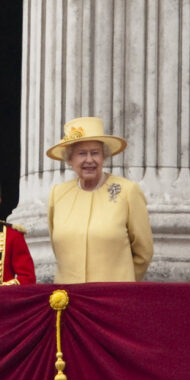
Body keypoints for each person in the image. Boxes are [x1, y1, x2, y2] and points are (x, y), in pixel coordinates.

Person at [46, 117, 153, 282]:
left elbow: (143, 252)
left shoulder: (127, 191)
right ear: (70, 159)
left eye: (95, 153)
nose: (89, 160)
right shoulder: (58, 194)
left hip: (113, 297)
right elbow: (57, 246)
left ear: (104, 157)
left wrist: (125, 283)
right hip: (69, 297)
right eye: (82, 154)